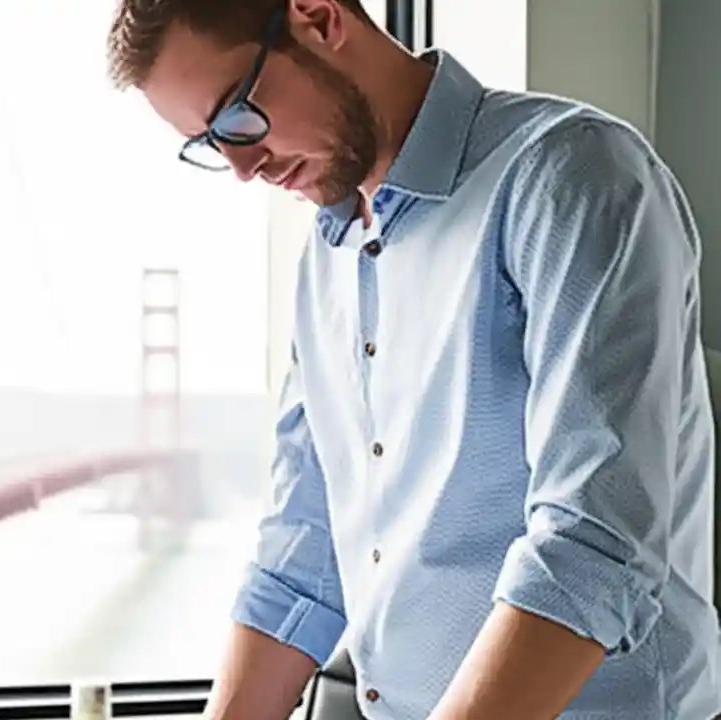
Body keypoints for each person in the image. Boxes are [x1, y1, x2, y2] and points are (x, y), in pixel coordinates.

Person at [106, 1, 721, 718]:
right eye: (211, 144)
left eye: (237, 117)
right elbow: (304, 552)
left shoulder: (571, 176)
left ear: (317, 17)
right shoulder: (327, 258)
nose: (243, 167)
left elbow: (590, 549)